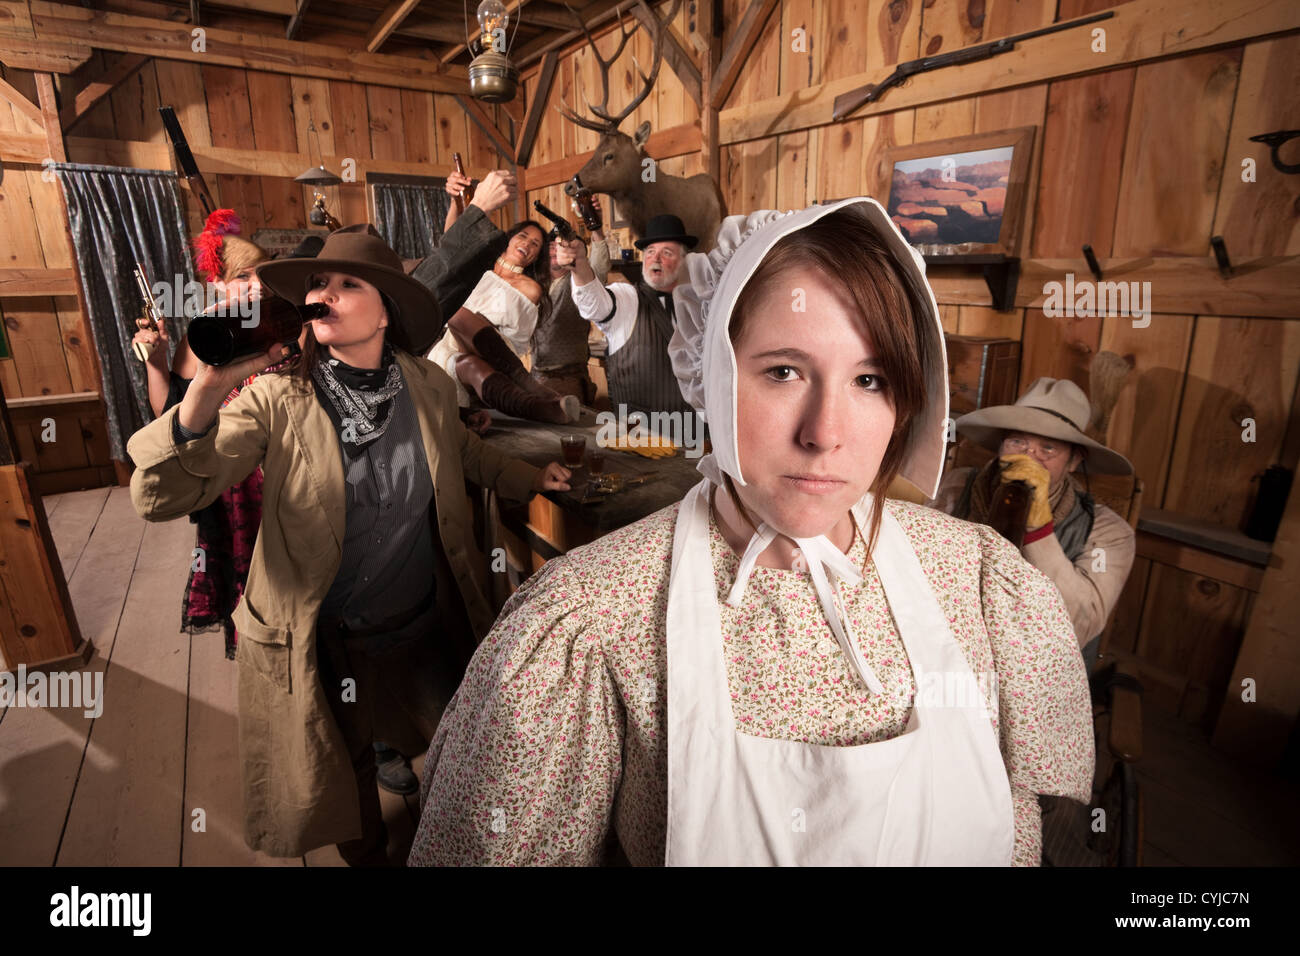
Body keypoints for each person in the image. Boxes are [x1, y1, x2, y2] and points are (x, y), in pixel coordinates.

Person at [408, 200, 1094, 867]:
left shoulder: (980, 580)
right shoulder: (592, 619)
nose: (825, 434)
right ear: (710, 373)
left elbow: (1018, 831)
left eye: (870, 379)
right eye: (784, 372)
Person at [127, 230, 573, 866]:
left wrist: (532, 477)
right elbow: (162, 494)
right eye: (316, 285)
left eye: (346, 284)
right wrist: (206, 385)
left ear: (386, 308)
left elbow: (463, 450)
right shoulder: (275, 399)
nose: (323, 294)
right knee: (344, 771)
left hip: (417, 620)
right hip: (320, 633)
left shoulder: (428, 385)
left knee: (468, 745)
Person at [131, 209, 273, 659]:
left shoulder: (275, 322)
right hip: (230, 473)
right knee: (243, 558)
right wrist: (154, 361)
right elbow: (170, 414)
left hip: (276, 461)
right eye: (244, 277)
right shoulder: (202, 336)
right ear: (218, 284)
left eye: (262, 275)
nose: (257, 286)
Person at [928, 378, 1137, 672]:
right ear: (1001, 446)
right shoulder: (959, 486)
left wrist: (1038, 529)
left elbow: (1078, 628)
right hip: (946, 650)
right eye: (1017, 441)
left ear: (1074, 461)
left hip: (1034, 673)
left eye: (1048, 448)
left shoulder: (1106, 532)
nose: (1028, 456)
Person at [426, 220, 581, 424]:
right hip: (451, 349)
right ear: (509, 238)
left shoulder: (530, 288)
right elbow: (452, 241)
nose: (527, 244)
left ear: (536, 256)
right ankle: (544, 408)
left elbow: (515, 337)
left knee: (453, 308)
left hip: (498, 354)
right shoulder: (478, 267)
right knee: (470, 362)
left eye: (535, 244)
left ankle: (526, 383)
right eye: (523, 236)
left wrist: (478, 320)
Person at [557, 213, 699, 423]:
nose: (656, 258)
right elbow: (593, 302)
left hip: (697, 435)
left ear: (684, 261)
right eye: (650, 251)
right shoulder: (628, 298)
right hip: (639, 438)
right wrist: (579, 264)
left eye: (666, 252)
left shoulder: (700, 305)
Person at [529, 197, 608, 405]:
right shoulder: (535, 282)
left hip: (569, 378)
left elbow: (599, 269)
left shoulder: (580, 281)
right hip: (534, 375)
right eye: (552, 246)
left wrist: (597, 230)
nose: (556, 250)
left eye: (562, 246)